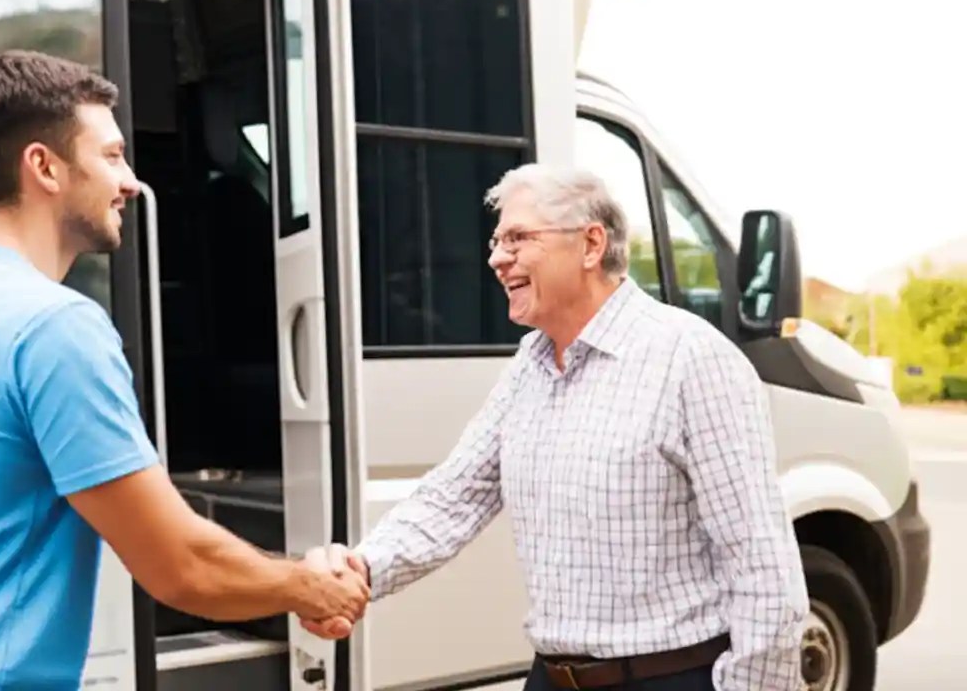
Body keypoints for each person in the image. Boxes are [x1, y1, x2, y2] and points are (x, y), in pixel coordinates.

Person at [0, 50, 368, 690]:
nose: (131, 180)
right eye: (110, 155)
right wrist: (305, 585)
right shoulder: (54, 327)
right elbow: (179, 566)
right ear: (44, 167)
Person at [303, 163, 809, 690]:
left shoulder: (691, 359)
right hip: (552, 679)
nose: (497, 258)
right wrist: (362, 569)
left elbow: (761, 566)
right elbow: (454, 496)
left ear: (591, 245)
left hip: (666, 678)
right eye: (498, 241)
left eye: (519, 238)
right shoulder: (530, 365)